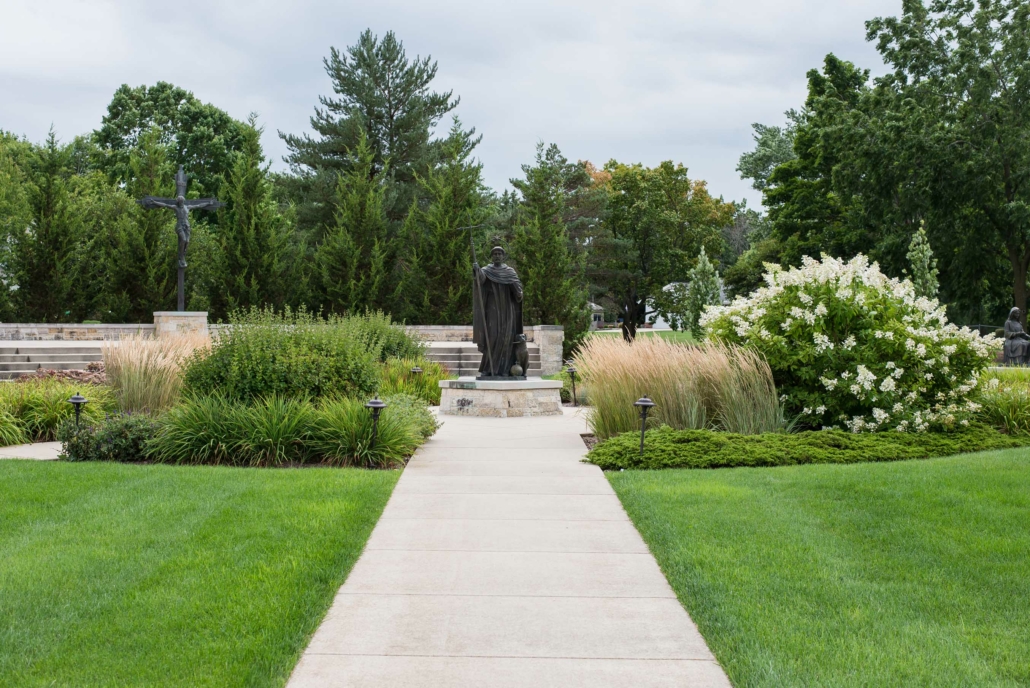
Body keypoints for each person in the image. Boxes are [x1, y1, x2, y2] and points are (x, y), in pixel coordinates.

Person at [472, 246, 524, 377]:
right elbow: (480, 281)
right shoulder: (486, 270)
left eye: (499, 254)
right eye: (494, 254)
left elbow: (518, 292)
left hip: (507, 309)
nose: (497, 256)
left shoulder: (509, 272)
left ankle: (505, 370)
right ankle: (488, 368)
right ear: (491, 256)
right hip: (492, 308)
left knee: (506, 338)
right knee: (493, 336)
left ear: (503, 256)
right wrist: (477, 271)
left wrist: (517, 289)